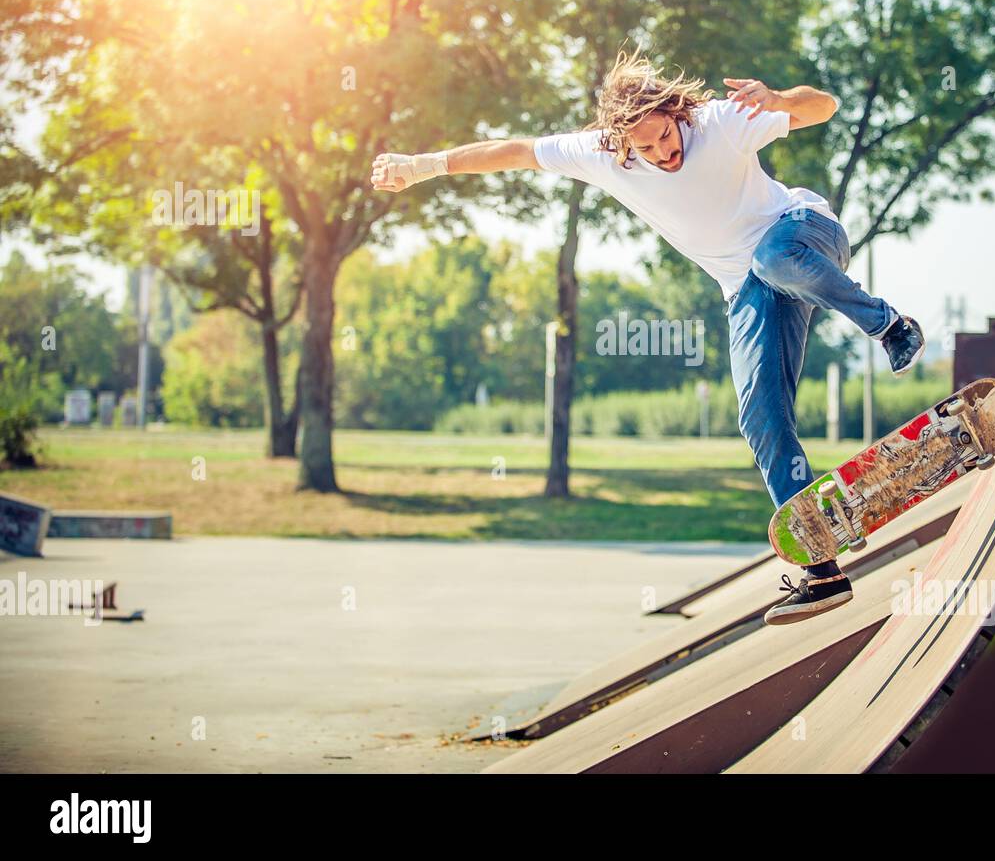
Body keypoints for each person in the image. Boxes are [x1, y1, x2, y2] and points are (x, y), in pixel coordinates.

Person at [371, 48, 924, 625]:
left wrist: (781, 100)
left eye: (666, 136)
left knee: (772, 258)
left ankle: (890, 325)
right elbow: (513, 151)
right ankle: (822, 565)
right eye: (648, 147)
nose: (665, 153)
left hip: (805, 236)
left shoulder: (718, 121)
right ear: (621, 143)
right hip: (749, 290)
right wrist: (423, 166)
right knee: (760, 418)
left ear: (676, 113)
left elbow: (825, 107)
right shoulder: (599, 156)